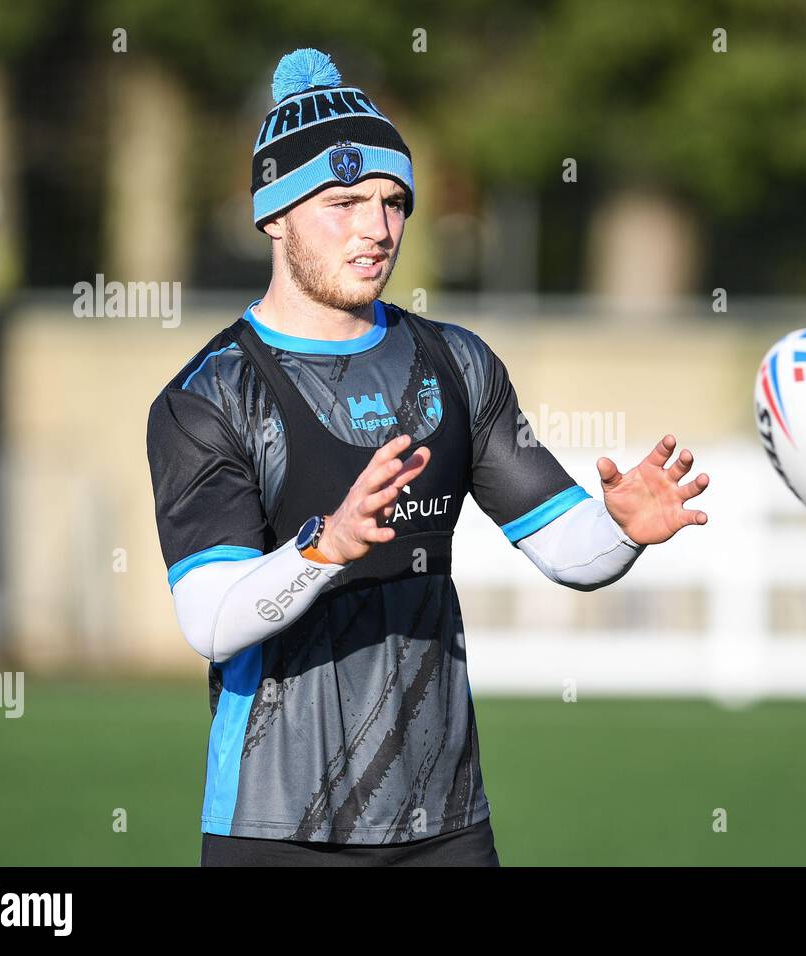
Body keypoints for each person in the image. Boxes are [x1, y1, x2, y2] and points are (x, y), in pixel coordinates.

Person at [145, 48, 709, 867]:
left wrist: (619, 530)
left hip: (445, 825)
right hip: (274, 826)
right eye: (342, 203)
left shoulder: (457, 365)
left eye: (392, 202)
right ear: (274, 216)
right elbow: (211, 619)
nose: (376, 228)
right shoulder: (210, 397)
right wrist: (323, 547)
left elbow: (566, 548)